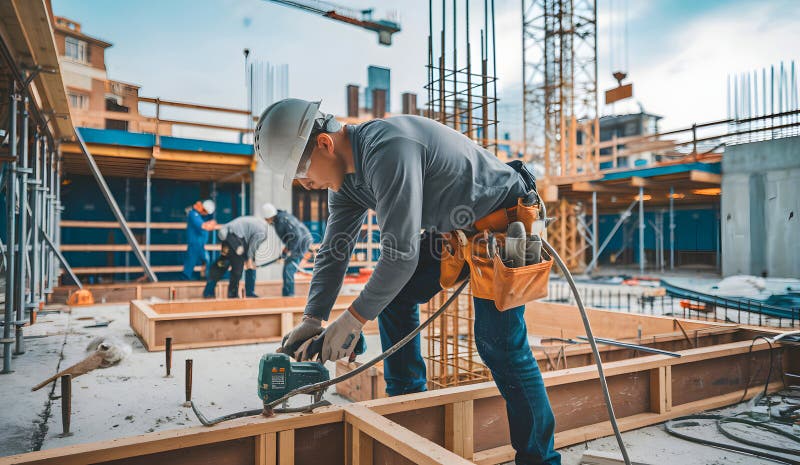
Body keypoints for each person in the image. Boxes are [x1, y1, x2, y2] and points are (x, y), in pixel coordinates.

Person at [254, 98, 560, 464]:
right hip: (456, 229)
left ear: (324, 144)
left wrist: (352, 320)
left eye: (302, 172)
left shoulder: (388, 149)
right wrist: (313, 318)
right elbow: (335, 252)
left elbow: (399, 257)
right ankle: (408, 409)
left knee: (501, 345)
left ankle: (540, 459)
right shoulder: (345, 185)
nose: (305, 185)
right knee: (393, 298)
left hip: (505, 221)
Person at [202, 214, 268, 299]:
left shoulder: (259, 224)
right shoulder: (262, 232)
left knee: (222, 263)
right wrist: (249, 260)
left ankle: (208, 291)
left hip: (226, 236)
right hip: (234, 238)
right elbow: (252, 247)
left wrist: (249, 259)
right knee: (238, 267)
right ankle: (234, 294)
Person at [261, 202, 313, 296]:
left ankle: (289, 296)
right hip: (298, 243)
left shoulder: (282, 220)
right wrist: (285, 251)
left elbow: (296, 236)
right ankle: (287, 294)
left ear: (268, 217)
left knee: (289, 268)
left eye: (265, 219)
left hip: (300, 243)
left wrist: (288, 250)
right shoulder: (279, 219)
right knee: (287, 268)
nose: (265, 221)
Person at [182, 200, 216, 280]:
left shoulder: (200, 216)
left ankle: (204, 277)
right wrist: (210, 224)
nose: (206, 214)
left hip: (200, 244)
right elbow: (204, 226)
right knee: (191, 261)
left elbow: (212, 223)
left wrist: (211, 223)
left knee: (206, 259)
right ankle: (185, 277)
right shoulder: (194, 214)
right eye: (205, 212)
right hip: (194, 243)